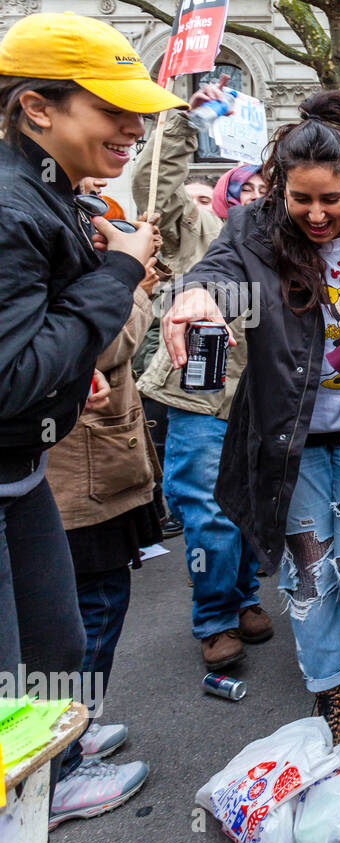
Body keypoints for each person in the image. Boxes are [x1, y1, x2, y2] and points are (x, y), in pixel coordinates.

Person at [161, 90, 340, 748]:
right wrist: (195, 293)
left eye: (329, 200)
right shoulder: (252, 227)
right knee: (309, 572)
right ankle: (326, 688)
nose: (315, 213)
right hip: (293, 439)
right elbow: (215, 271)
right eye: (300, 199)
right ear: (280, 189)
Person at [0, 13, 170, 789]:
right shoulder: (12, 208)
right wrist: (120, 275)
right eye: (110, 107)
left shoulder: (50, 195)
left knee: (58, 653)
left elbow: (40, 348)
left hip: (24, 468)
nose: (133, 126)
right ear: (39, 107)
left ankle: (49, 774)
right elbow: (11, 375)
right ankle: (34, 798)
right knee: (12, 700)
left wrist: (73, 375)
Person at [134, 77, 270, 670]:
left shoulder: (292, 245)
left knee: (247, 507)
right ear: (224, 198)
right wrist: (183, 122)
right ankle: (214, 618)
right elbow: (153, 191)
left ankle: (244, 598)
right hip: (202, 389)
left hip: (262, 401)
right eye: (244, 189)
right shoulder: (198, 232)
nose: (255, 197)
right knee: (206, 509)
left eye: (266, 188)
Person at [45, 237, 162, 827]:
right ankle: (55, 773)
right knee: (83, 621)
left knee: (88, 614)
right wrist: (134, 282)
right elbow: (104, 343)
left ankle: (70, 737)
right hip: (73, 484)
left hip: (86, 477)